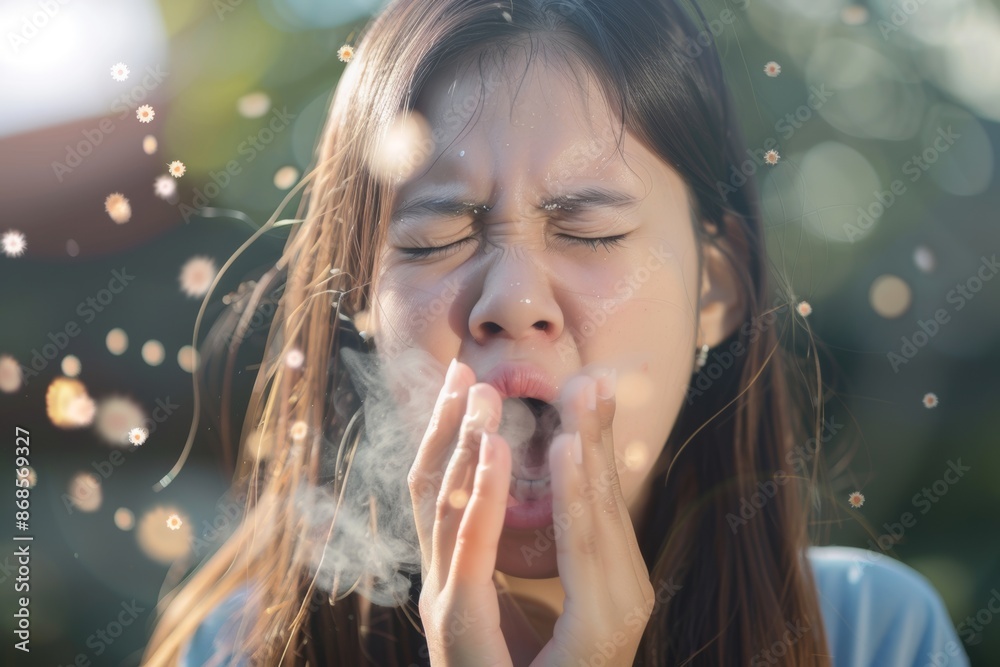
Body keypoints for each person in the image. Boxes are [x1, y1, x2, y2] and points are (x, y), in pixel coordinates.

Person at [143, 0, 970, 665]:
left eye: (589, 230)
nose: (510, 300)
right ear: (363, 300)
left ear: (716, 289)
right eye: (435, 238)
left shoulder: (871, 637)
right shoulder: (241, 650)